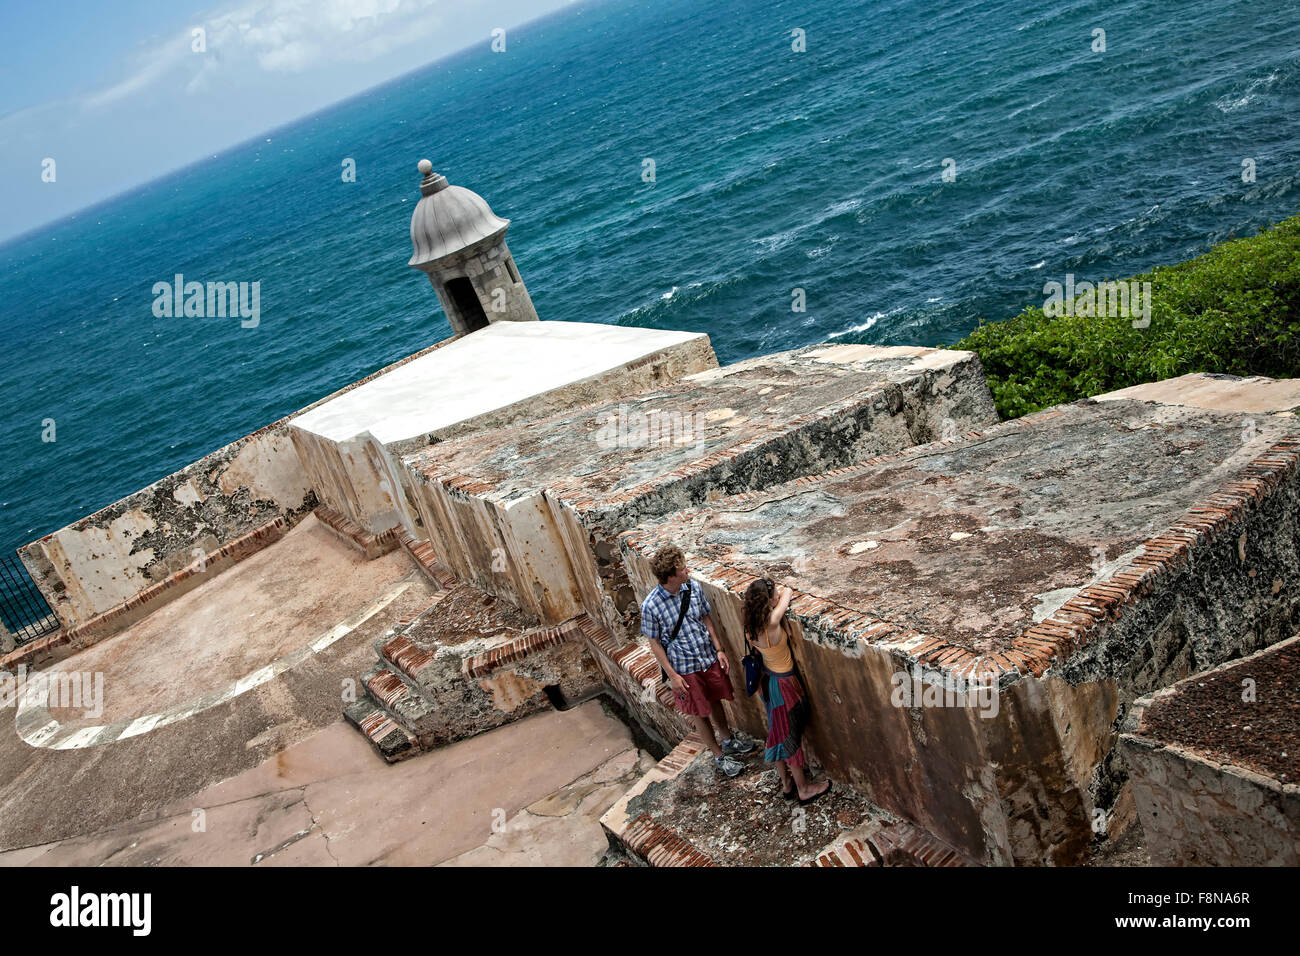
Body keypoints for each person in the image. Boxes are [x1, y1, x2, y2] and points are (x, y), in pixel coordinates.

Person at [641, 545, 756, 778]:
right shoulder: (651, 606)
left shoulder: (692, 587)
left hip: (706, 657)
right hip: (683, 667)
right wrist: (672, 676)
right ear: (670, 576)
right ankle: (718, 755)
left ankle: (727, 739)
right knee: (698, 712)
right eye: (682, 569)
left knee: (715, 700)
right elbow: (654, 643)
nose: (687, 571)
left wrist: (719, 649)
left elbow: (705, 617)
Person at [742, 577, 831, 804]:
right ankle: (803, 789)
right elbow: (788, 594)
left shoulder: (749, 627)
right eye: (772, 596)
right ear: (768, 602)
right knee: (789, 737)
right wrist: (783, 591)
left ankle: (786, 783)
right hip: (784, 685)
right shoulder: (772, 621)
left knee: (776, 732)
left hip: (767, 683)